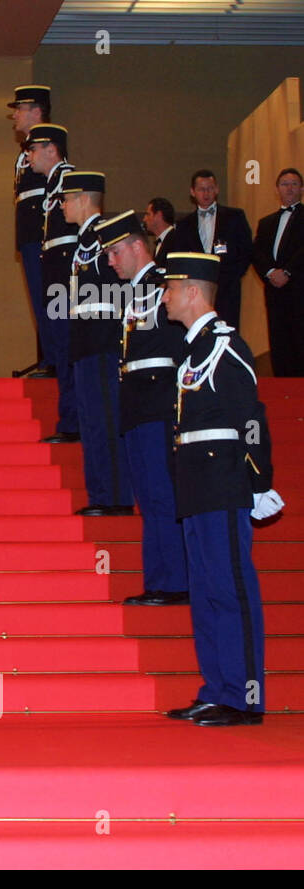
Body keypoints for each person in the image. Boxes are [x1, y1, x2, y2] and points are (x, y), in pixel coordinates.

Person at [161, 251, 283, 727]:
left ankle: (244, 696)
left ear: (194, 293)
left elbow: (250, 422)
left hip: (225, 484)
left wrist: (258, 483)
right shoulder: (193, 348)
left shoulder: (225, 347)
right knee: (207, 591)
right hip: (197, 486)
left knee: (231, 590)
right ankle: (217, 688)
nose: (165, 296)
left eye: (171, 288)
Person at [97, 210, 189, 605]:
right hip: (137, 405)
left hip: (157, 405)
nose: (111, 262)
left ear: (138, 246)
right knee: (148, 497)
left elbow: (176, 352)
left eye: (116, 252)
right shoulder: (138, 291)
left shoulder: (162, 287)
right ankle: (160, 579)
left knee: (160, 495)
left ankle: (173, 582)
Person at [57, 170, 132, 516]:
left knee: (106, 420)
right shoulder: (83, 241)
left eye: (67, 198)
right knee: (91, 421)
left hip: (103, 341)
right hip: (86, 342)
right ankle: (101, 492)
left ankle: (115, 496)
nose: (62, 205)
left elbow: (122, 289)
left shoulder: (105, 238)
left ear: (85, 199)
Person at [23, 123, 79, 442]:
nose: (28, 155)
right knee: (61, 349)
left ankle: (73, 423)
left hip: (66, 282)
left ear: (52, 149)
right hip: (56, 278)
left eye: (33, 149)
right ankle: (70, 421)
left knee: (68, 351)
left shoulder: (68, 181)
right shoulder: (53, 183)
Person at [168, 170, 253, 328]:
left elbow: (247, 250)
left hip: (227, 289)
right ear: (192, 192)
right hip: (195, 291)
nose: (206, 193)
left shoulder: (235, 217)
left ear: (217, 190)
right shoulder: (184, 224)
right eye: (201, 189)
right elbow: (179, 256)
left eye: (210, 188)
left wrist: (233, 276)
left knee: (227, 329)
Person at [8, 85, 54, 377]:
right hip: (29, 234)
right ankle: (47, 356)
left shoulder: (47, 146)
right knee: (39, 298)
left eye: (20, 109)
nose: (14, 114)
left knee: (47, 297)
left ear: (37, 112)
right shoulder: (26, 149)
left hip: (42, 234)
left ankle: (53, 358)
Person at [252, 167, 304, 376]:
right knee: (278, 341)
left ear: (301, 188)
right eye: (284, 184)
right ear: (277, 189)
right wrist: (271, 271)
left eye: (294, 184)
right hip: (274, 292)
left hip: (300, 290)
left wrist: (288, 272)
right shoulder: (266, 223)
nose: (289, 188)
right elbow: (256, 253)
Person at [142, 197, 176, 266]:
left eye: (148, 214)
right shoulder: (160, 242)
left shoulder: (176, 240)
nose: (144, 219)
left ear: (158, 215)